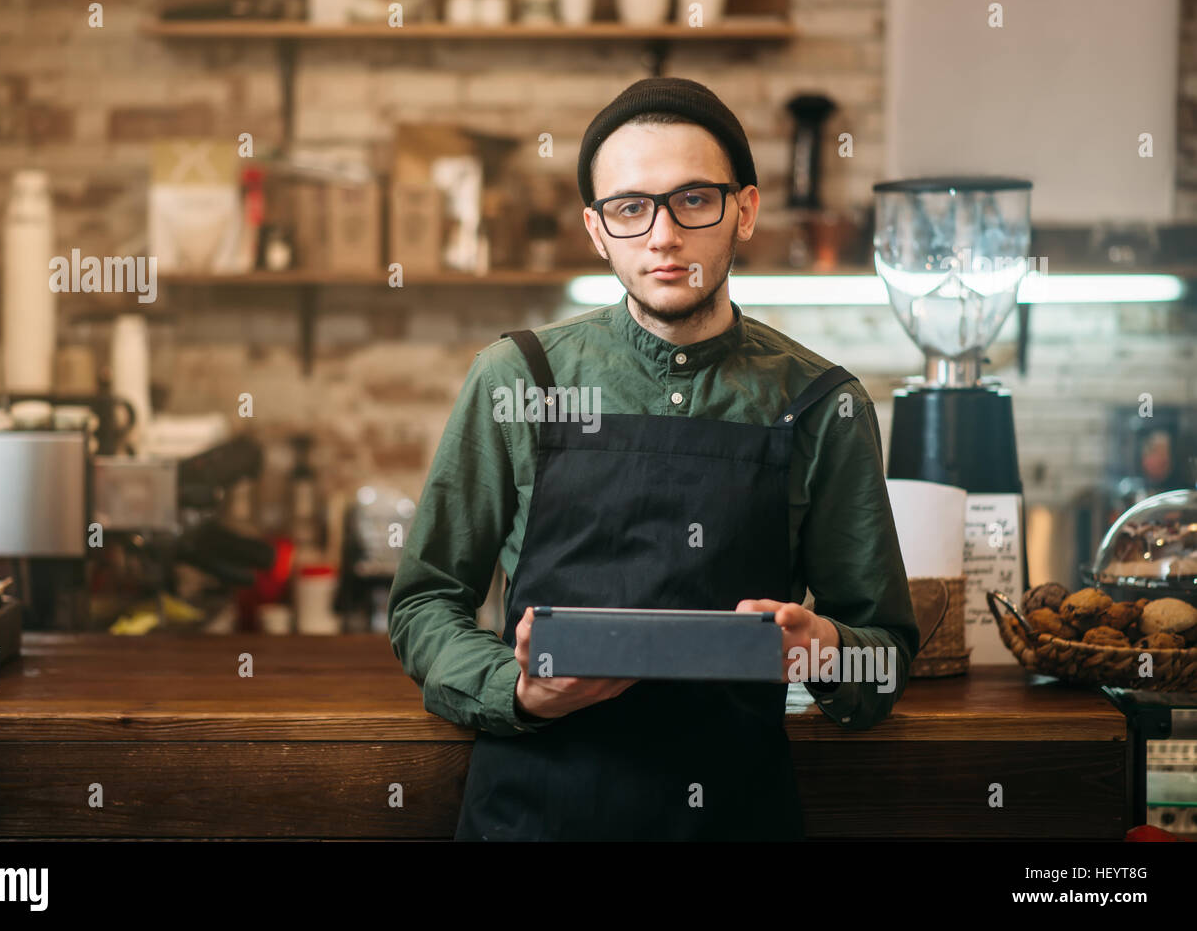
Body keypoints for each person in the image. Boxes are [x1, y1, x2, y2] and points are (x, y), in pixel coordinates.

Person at [387, 77, 920, 841]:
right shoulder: (520, 379)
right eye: (631, 208)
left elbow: (887, 657)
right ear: (597, 230)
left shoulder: (822, 404)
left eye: (693, 200)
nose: (663, 236)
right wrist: (518, 687)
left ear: (745, 209)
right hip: (532, 813)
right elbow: (423, 603)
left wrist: (827, 652)